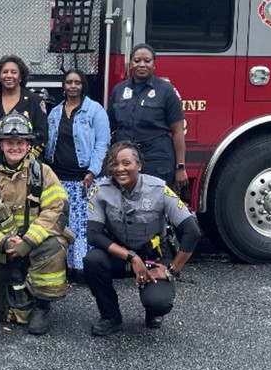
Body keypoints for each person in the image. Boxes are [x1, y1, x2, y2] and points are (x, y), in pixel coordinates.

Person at [0, 113, 71, 335]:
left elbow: (57, 210)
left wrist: (28, 241)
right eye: (9, 142)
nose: (15, 147)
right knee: (1, 302)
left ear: (29, 144)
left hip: (36, 244)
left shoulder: (42, 173)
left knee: (52, 246)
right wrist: (3, 242)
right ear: (1, 144)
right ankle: (15, 289)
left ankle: (43, 305)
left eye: (21, 142)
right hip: (3, 247)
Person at [84, 141, 201, 333]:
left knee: (159, 302)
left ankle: (154, 311)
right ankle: (110, 316)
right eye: (114, 164)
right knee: (93, 261)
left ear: (139, 165)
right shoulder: (101, 190)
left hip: (152, 257)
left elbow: (192, 231)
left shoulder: (159, 189)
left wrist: (172, 271)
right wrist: (131, 257)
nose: (120, 168)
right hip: (122, 256)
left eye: (126, 163)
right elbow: (93, 235)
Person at [46, 70, 110, 277]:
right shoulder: (55, 112)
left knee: (84, 226)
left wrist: (92, 170)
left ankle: (84, 268)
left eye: (77, 82)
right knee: (64, 223)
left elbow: (102, 143)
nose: (73, 86)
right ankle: (65, 267)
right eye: (68, 82)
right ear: (63, 86)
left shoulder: (95, 110)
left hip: (85, 179)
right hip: (60, 178)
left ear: (83, 85)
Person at [107, 44, 187, 190]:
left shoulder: (166, 90)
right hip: (125, 158)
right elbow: (111, 127)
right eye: (137, 61)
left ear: (153, 65)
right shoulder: (119, 90)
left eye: (147, 61)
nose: (142, 65)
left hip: (157, 158)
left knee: (154, 205)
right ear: (130, 64)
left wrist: (180, 167)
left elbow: (178, 131)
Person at [0, 55, 48, 174]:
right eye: (4, 72)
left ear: (20, 77)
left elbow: (42, 136)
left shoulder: (35, 101)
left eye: (14, 72)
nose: (9, 75)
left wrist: (24, 162)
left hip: (27, 169)